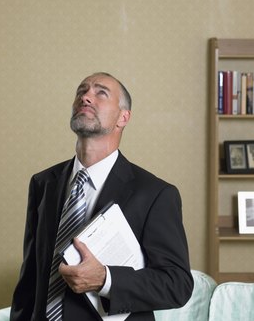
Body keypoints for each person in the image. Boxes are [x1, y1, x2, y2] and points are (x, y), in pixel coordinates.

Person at [10, 72, 193, 321]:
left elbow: (177, 284)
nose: (86, 97)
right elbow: (30, 279)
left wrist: (105, 279)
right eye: (81, 91)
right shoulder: (43, 183)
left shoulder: (156, 194)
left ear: (123, 117)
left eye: (101, 93)